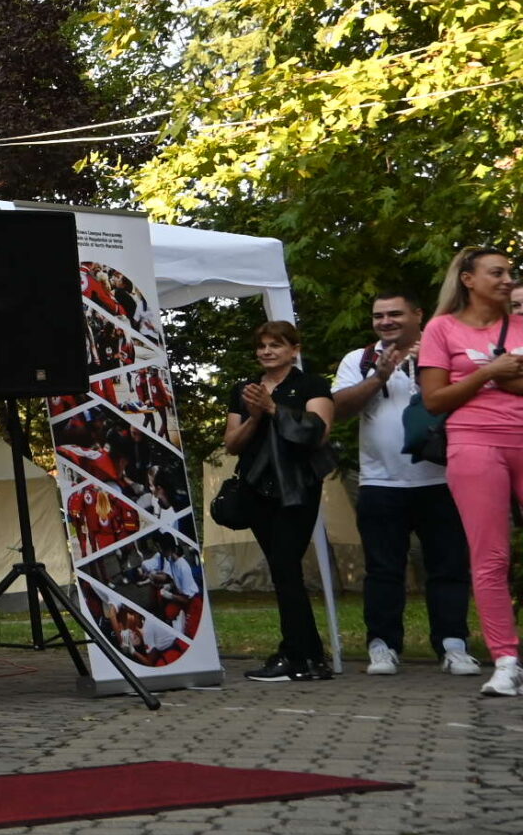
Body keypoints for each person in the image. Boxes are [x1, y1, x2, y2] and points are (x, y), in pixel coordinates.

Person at [332, 290, 474, 675]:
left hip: (443, 479)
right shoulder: (358, 360)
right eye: (379, 316)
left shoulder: (446, 350)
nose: (386, 322)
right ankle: (383, 646)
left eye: (395, 314)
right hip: (380, 483)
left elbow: (473, 399)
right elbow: (339, 410)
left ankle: (453, 645)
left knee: (448, 568)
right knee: (383, 570)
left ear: (418, 314)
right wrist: (380, 374)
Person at [419, 248, 523, 696]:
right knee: (491, 557)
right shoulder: (441, 328)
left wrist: (488, 377)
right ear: (468, 279)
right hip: (473, 444)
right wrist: (493, 373)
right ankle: (506, 660)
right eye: (495, 272)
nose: (506, 279)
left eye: (508, 273)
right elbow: (435, 400)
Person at [223, 320, 338, 683]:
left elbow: (316, 433)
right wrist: (255, 416)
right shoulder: (245, 389)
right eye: (262, 346)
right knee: (282, 571)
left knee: (287, 566)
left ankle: (296, 655)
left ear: (294, 349)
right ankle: (309, 656)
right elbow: (232, 443)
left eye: (276, 345)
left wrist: (274, 409)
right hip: (257, 488)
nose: (267, 352)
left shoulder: (312, 385)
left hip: (297, 489)